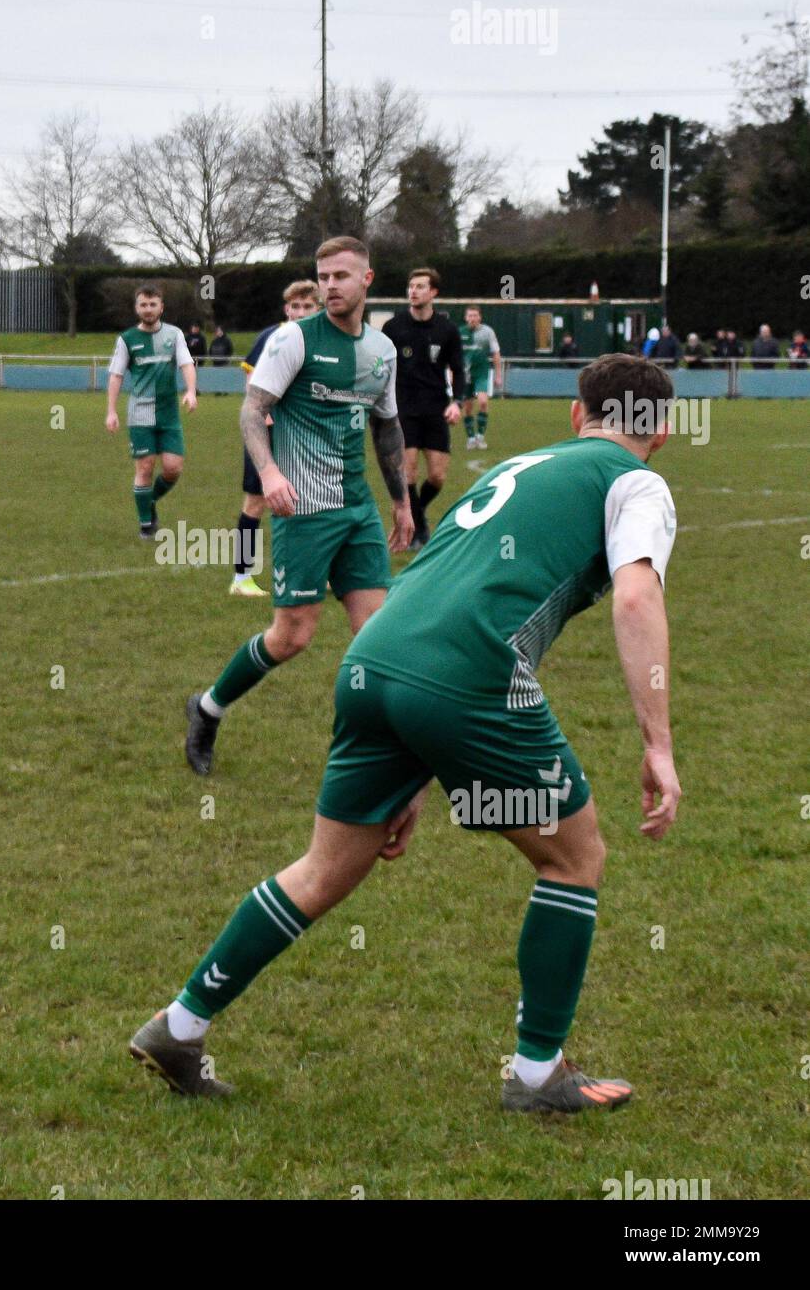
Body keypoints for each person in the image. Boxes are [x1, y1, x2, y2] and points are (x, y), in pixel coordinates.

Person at [131, 352, 681, 1114]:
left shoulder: (514, 466)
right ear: (660, 432)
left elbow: (439, 583)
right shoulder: (639, 483)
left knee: (324, 872)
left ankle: (178, 1026)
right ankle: (534, 1076)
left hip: (374, 659)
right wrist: (656, 744)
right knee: (574, 857)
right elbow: (633, 601)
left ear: (575, 416)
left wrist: (416, 765)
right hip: (469, 677)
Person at [183, 237, 411, 776]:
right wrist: (268, 472)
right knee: (293, 636)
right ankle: (208, 707)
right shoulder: (293, 339)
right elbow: (251, 409)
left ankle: (376, 750)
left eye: (341, 276)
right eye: (323, 275)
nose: (331, 285)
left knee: (378, 635)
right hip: (303, 510)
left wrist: (401, 502)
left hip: (357, 510)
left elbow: (387, 425)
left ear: (366, 281)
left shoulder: (382, 352)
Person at [229, 279, 321, 597]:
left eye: (307, 306)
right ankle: (242, 578)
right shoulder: (272, 337)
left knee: (309, 502)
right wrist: (264, 415)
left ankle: (311, 574)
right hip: (266, 432)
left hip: (304, 434)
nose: (300, 312)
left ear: (318, 308)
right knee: (256, 501)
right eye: (295, 306)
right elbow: (251, 378)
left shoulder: (323, 340)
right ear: (286, 309)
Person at [105, 284, 197, 540]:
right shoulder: (127, 339)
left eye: (152, 304)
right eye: (143, 305)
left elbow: (187, 363)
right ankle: (147, 525)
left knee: (173, 468)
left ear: (161, 307)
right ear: (137, 308)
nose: (148, 309)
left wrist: (190, 391)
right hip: (140, 413)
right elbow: (116, 376)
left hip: (169, 414)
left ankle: (148, 502)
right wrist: (111, 411)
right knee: (145, 467)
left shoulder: (174, 335)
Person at [381, 266, 465, 549]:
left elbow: (458, 370)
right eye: (411, 286)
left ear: (433, 292)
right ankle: (417, 529)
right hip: (402, 408)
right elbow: (380, 366)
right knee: (409, 473)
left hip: (436, 408)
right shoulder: (393, 328)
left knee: (438, 477)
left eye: (420, 286)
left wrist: (457, 402)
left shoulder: (447, 330)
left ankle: (417, 514)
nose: (413, 291)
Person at [460, 306, 502, 449]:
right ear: (466, 318)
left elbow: (496, 353)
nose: (472, 318)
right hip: (465, 375)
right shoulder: (460, 333)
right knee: (467, 408)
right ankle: (471, 438)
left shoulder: (487, 332)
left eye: (475, 315)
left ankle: (480, 436)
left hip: (481, 373)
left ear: (480, 317)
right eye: (470, 316)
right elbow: (453, 356)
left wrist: (498, 375)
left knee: (483, 402)